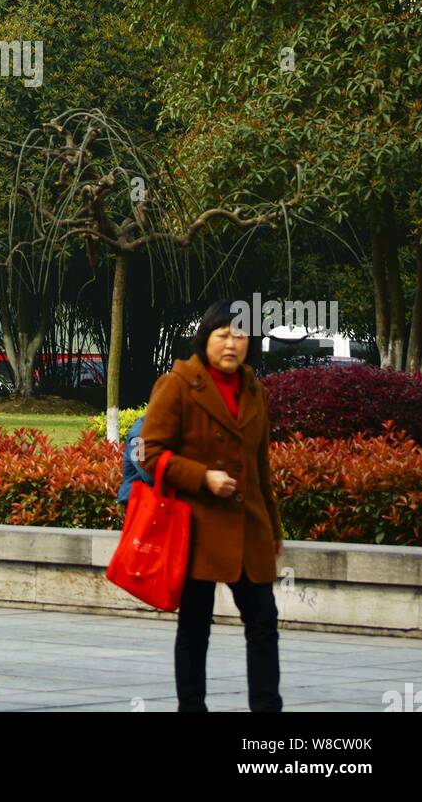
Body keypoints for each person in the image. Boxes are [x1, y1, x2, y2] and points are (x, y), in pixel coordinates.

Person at [140, 299, 284, 713]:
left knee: (263, 626)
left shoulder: (254, 389)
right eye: (223, 334)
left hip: (249, 528)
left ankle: (267, 707)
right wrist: (202, 476)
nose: (232, 343)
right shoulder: (179, 383)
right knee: (194, 629)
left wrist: (273, 529)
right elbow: (148, 453)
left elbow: (261, 468)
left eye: (240, 335)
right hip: (196, 528)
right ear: (206, 338)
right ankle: (192, 707)